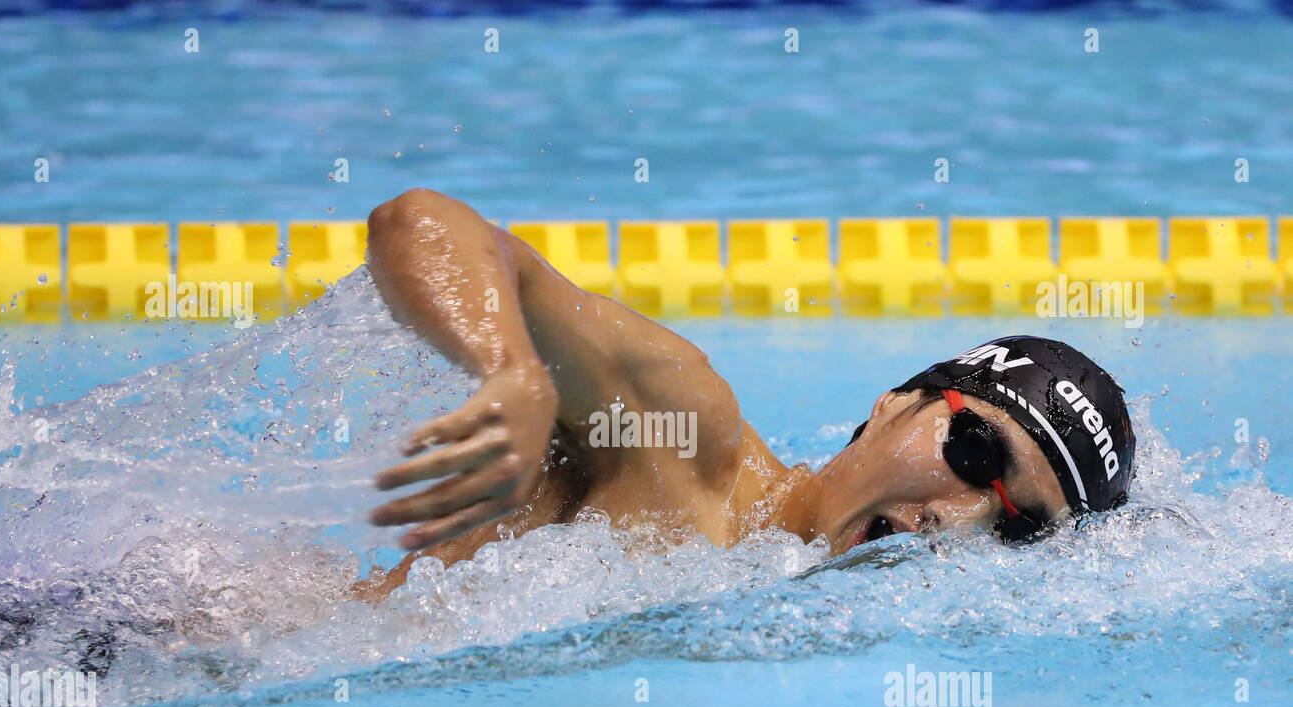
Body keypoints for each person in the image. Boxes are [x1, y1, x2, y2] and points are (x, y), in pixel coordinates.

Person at [355, 188, 1135, 599]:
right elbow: (417, 222)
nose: (957, 519)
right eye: (974, 453)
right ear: (896, 404)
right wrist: (510, 368)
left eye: (1018, 526)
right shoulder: (685, 448)